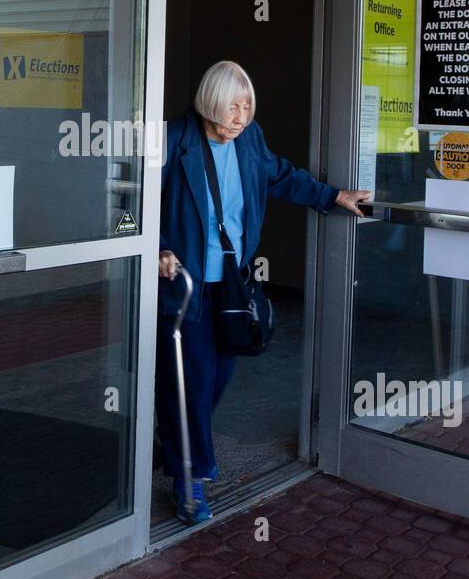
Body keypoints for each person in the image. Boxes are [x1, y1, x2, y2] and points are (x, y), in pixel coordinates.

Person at [157, 60, 370, 523]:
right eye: (231, 106)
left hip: (232, 285)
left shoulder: (250, 140)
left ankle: (175, 442)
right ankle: (191, 479)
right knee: (191, 382)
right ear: (208, 102)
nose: (240, 116)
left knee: (218, 378)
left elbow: (280, 175)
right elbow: (128, 194)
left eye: (247, 106)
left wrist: (334, 197)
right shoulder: (174, 139)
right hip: (185, 287)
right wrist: (157, 248)